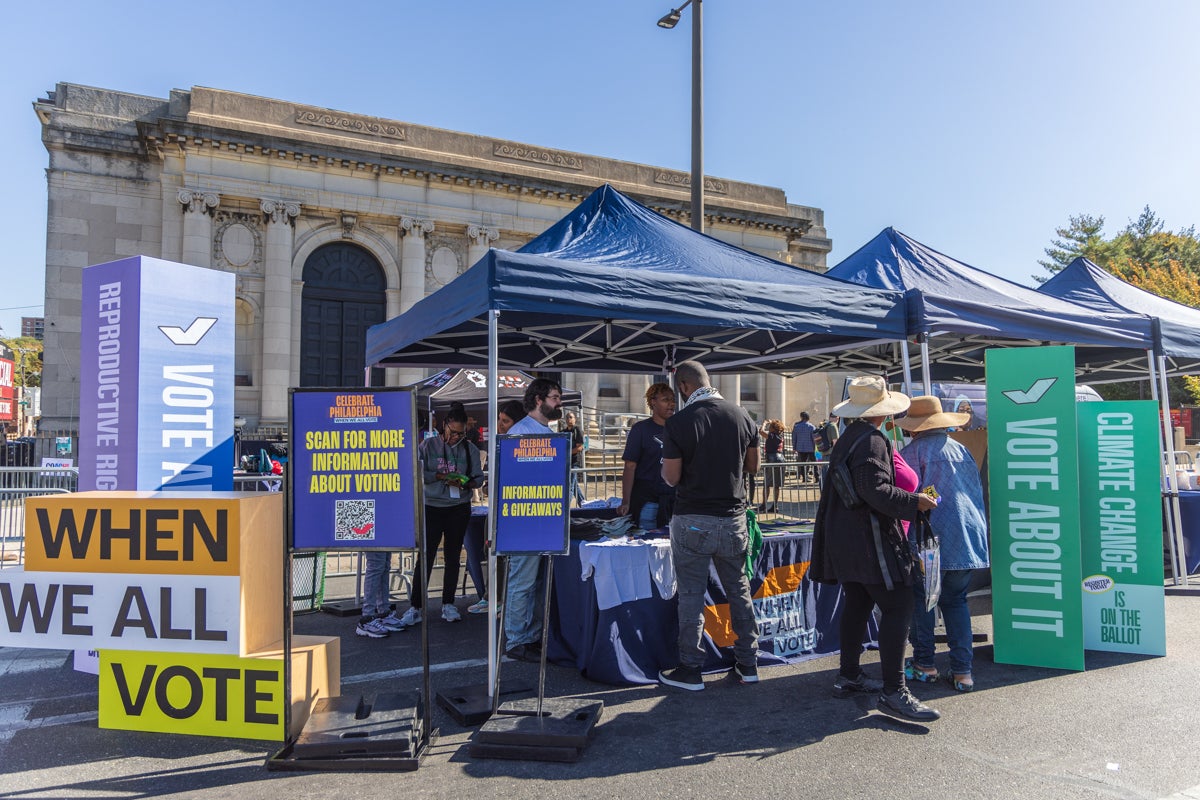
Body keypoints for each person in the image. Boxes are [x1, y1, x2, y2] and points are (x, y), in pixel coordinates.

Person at [809, 375, 940, 722]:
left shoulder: (850, 436)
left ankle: (849, 675)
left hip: (848, 539)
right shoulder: (871, 441)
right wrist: (916, 502)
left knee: (859, 603)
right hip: (869, 541)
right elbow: (875, 490)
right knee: (899, 604)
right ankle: (893, 691)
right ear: (882, 411)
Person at [659, 360, 760, 691]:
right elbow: (753, 467)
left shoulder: (679, 422)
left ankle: (691, 668)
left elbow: (671, 477)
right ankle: (748, 663)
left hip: (693, 518)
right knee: (739, 591)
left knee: (691, 593)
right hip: (733, 518)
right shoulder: (742, 415)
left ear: (685, 386)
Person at [898, 396, 990, 693]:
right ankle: (963, 672)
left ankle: (925, 663)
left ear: (913, 428)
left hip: (929, 541)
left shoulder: (911, 453)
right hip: (966, 536)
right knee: (956, 601)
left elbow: (909, 500)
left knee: (924, 603)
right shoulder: (961, 450)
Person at [397, 402, 486, 626]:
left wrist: (466, 483)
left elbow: (478, 478)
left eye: (461, 433)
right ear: (444, 426)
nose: (456, 437)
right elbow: (415, 472)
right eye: (453, 432)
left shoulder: (470, 449)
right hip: (432, 506)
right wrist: (438, 476)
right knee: (425, 557)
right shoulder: (428, 446)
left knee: (453, 556)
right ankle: (416, 606)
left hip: (458, 508)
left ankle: (448, 603)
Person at [503, 377, 564, 662]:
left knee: (538, 583)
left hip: (544, 518)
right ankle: (516, 638)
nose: (558, 402)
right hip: (525, 520)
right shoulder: (520, 432)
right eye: (554, 397)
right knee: (522, 582)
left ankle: (531, 635)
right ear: (538, 400)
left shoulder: (546, 431)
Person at [617, 382, 677, 530]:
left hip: (675, 503)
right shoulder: (640, 430)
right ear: (653, 402)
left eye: (672, 399)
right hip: (648, 503)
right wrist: (626, 501)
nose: (671, 404)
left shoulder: (679, 429)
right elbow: (630, 467)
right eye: (665, 399)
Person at [355, 552, 409, 638]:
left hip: (384, 538)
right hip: (376, 539)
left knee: (384, 567)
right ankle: (367, 618)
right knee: (376, 566)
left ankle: (383, 614)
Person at [760, 419, 786, 514]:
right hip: (781, 459)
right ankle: (775, 505)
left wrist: (764, 423)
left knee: (766, 483)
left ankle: (764, 505)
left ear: (772, 428)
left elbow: (761, 432)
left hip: (772, 459)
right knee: (776, 484)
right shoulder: (780, 435)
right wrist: (772, 424)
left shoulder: (771, 436)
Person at [562, 410, 586, 506]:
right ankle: (584, 506)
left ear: (575, 419)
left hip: (574, 463)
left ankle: (565, 508)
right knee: (575, 486)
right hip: (566, 463)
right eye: (567, 417)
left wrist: (567, 452)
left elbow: (580, 447)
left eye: (571, 417)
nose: (569, 419)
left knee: (570, 487)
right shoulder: (563, 432)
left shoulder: (577, 430)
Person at [792, 412, 817, 482]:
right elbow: (814, 438)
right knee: (815, 463)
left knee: (803, 463)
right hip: (811, 448)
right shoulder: (811, 427)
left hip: (800, 448)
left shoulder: (796, 426)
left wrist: (794, 448)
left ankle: (804, 477)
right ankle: (817, 477)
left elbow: (794, 438)